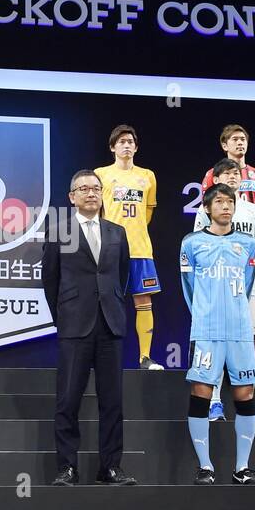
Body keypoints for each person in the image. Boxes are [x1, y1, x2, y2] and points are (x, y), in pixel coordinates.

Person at [42, 169, 137, 487]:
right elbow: (50, 281)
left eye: (96, 188)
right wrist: (65, 317)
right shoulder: (59, 231)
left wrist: (110, 303)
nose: (91, 193)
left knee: (113, 401)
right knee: (68, 399)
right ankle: (66, 467)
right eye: (83, 188)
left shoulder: (117, 232)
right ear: (71, 197)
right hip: (74, 324)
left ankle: (110, 467)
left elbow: (122, 276)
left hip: (110, 324)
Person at [180, 183, 255, 486]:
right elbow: (188, 287)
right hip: (206, 329)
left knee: (245, 394)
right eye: (218, 202)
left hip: (240, 331)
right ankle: (205, 467)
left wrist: (233, 311)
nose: (225, 206)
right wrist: (206, 312)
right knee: (201, 392)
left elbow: (246, 284)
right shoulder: (191, 243)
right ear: (206, 208)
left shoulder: (247, 244)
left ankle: (242, 469)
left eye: (229, 201)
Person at [194, 158, 255, 421]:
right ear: (215, 180)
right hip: (215, 287)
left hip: (244, 286)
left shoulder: (253, 211)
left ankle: (248, 407)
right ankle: (214, 402)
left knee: (244, 346)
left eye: (236, 174)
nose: (233, 178)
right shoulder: (205, 211)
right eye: (226, 174)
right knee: (215, 346)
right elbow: (197, 248)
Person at [202, 124, 255, 370]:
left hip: (251, 250)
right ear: (224, 145)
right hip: (222, 252)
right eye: (234, 139)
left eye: (243, 139)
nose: (240, 143)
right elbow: (205, 211)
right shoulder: (214, 173)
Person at [95, 125, 163, 370]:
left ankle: (145, 356)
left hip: (140, 249)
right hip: (110, 249)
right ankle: (103, 357)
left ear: (136, 147)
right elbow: (96, 211)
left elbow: (148, 211)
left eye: (130, 142)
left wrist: (133, 232)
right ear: (113, 147)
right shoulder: (100, 174)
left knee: (143, 300)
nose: (126, 145)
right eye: (121, 141)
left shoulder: (147, 175)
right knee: (107, 302)